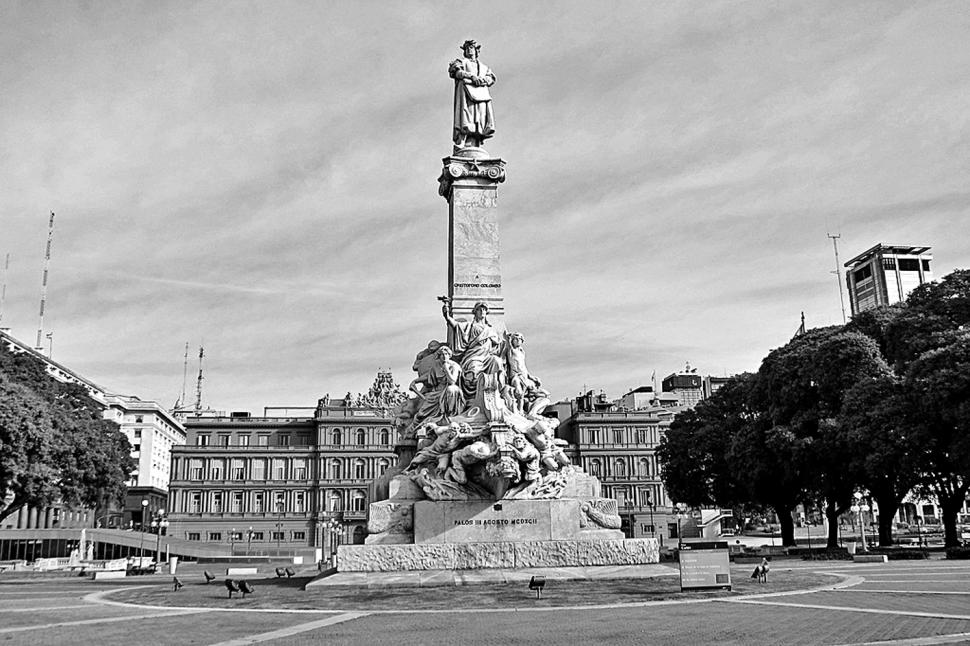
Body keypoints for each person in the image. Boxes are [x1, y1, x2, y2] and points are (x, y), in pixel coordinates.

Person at [442, 300, 502, 400]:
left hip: (486, 357)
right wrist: (447, 315)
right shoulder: (470, 325)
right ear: (475, 312)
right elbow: (456, 325)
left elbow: (497, 344)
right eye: (479, 309)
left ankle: (493, 392)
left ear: (486, 313)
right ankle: (472, 398)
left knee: (497, 361)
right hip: (473, 356)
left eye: (484, 309)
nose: (482, 311)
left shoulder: (490, 329)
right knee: (473, 370)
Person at [449, 39, 495, 149]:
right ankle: (462, 140)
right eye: (467, 48)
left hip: (481, 94)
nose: (469, 50)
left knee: (480, 117)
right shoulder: (460, 62)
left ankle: (477, 141)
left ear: (476, 50)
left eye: (471, 47)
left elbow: (491, 78)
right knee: (466, 116)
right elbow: (457, 73)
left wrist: (484, 80)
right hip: (466, 93)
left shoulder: (484, 67)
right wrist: (471, 76)